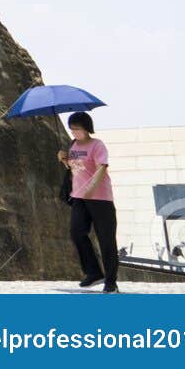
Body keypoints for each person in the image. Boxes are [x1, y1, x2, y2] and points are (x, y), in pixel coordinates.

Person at [58, 111, 117, 292]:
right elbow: (75, 168)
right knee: (77, 233)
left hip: (100, 199)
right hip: (79, 197)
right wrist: (64, 159)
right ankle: (93, 272)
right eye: (72, 129)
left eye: (77, 129)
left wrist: (92, 187)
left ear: (87, 128)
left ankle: (110, 281)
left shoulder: (97, 145)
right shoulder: (73, 145)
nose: (74, 132)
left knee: (106, 240)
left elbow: (101, 168)